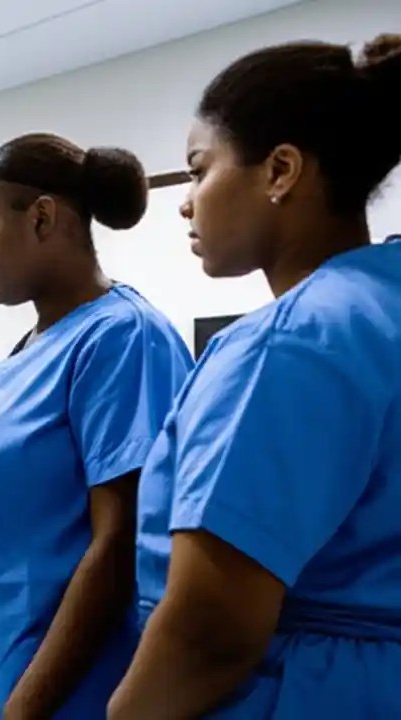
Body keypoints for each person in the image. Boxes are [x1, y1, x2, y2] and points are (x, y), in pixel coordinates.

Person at [108, 35, 401, 718]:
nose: (185, 202)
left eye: (198, 170)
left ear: (280, 171)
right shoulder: (382, 305)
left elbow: (211, 631)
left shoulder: (289, 342)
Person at [0, 135, 194, 720]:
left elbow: (120, 541)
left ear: (43, 217)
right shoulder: (23, 352)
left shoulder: (122, 338)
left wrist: (25, 706)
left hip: (62, 689)